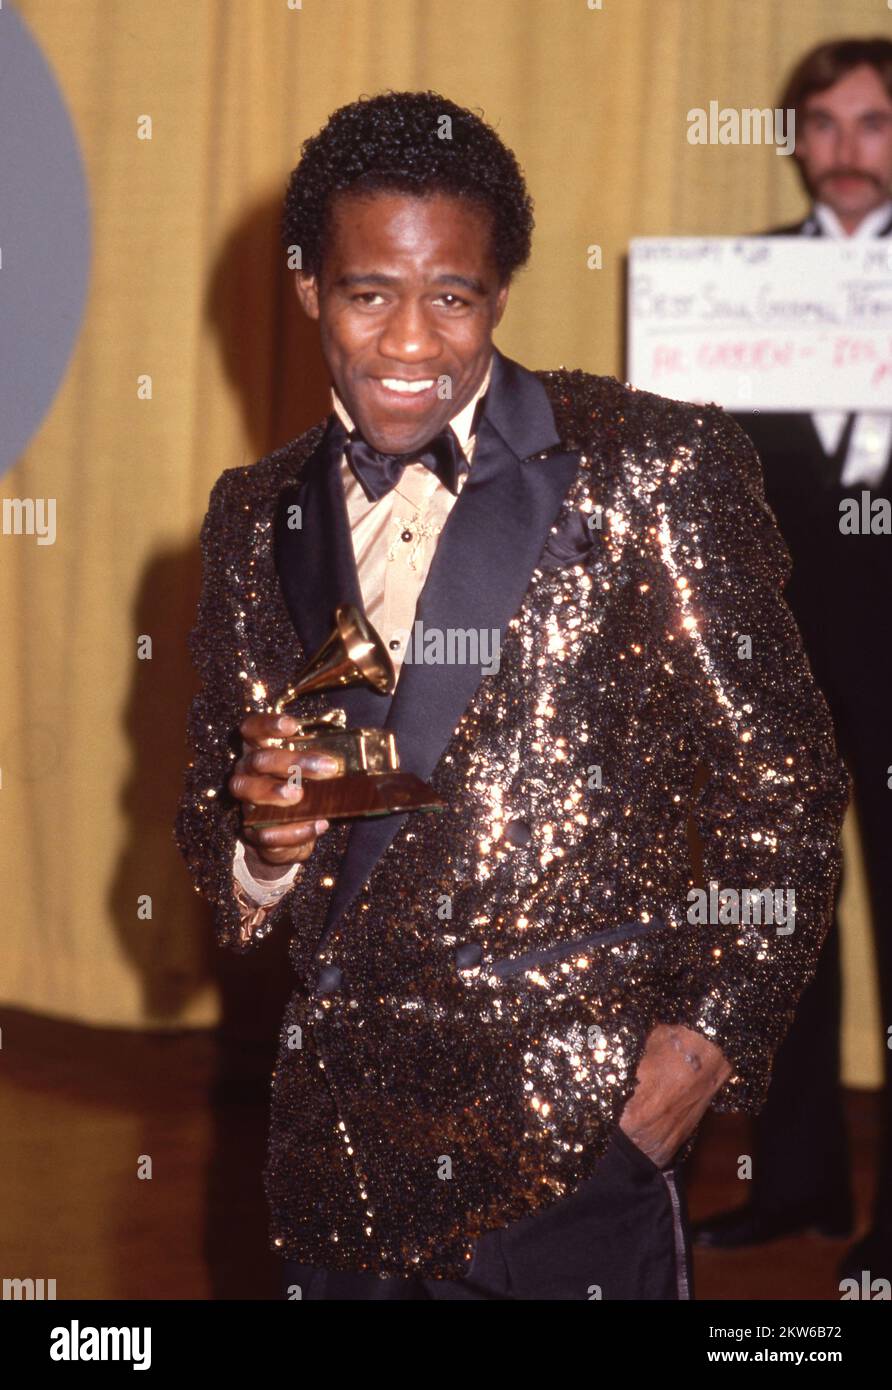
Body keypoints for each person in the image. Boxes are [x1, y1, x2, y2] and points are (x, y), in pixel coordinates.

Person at [174, 90, 849, 1300]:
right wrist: (261, 845)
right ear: (307, 290)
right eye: (369, 293)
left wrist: (705, 1037)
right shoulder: (250, 514)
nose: (411, 343)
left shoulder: (648, 468)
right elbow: (205, 816)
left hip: (570, 1135)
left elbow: (784, 786)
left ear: (499, 294)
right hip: (340, 1143)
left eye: (454, 297)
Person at [695, 38, 892, 1286]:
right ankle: (800, 1180)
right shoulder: (743, 283)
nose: (844, 151)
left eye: (871, 123)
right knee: (784, 915)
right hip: (785, 636)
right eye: (821, 125)